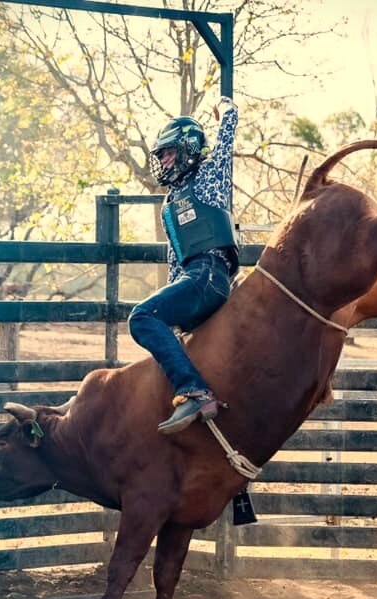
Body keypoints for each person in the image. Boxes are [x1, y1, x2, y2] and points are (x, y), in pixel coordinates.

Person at [128, 96, 239, 435]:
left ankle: (194, 391)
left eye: (168, 152)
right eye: (160, 154)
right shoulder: (170, 204)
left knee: (141, 317)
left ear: (189, 148)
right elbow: (176, 262)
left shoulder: (209, 177)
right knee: (158, 321)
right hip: (192, 279)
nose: (162, 160)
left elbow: (225, 145)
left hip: (209, 275)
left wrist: (227, 112)